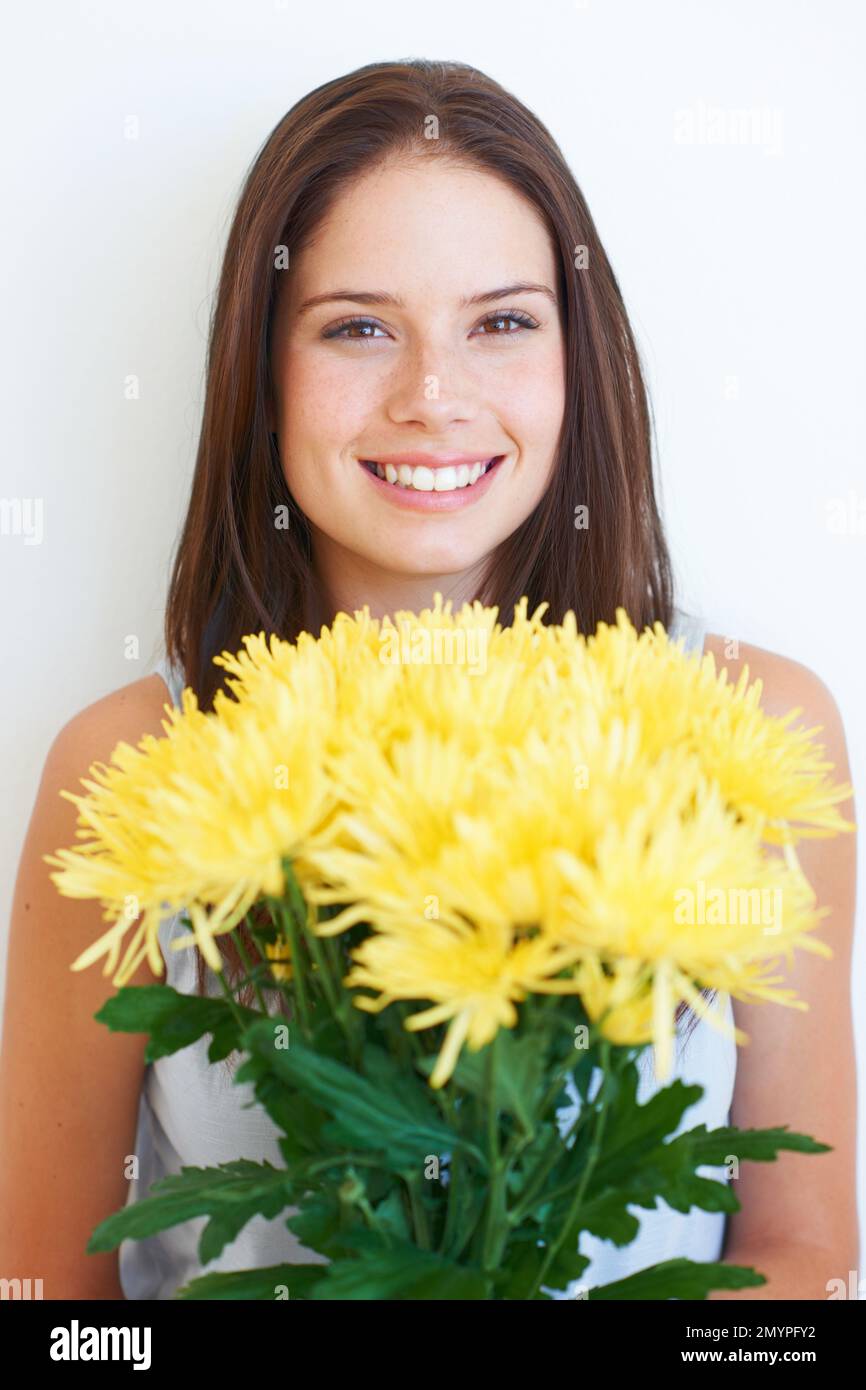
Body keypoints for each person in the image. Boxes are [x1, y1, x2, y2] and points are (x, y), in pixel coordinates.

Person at [1, 59, 856, 1301]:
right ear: (264, 368)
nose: (432, 397)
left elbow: (809, 1269)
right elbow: (44, 1303)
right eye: (357, 327)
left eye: (501, 321)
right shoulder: (128, 771)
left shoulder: (757, 734)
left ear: (580, 357)